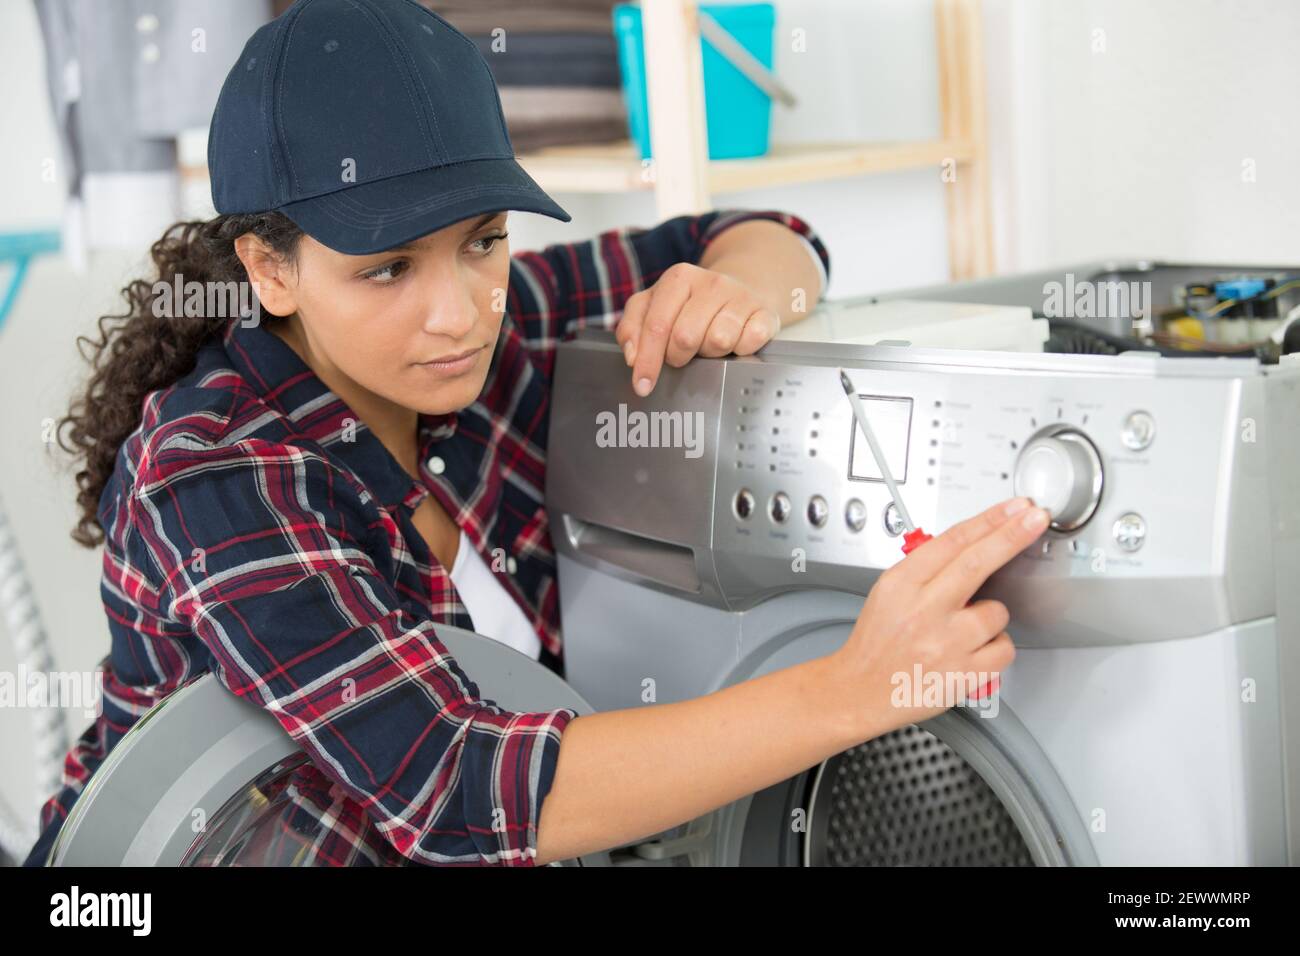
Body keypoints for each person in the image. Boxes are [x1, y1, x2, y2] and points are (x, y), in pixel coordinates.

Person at [26, 0, 1048, 867]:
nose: (459, 310)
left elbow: (761, 234)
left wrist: (734, 293)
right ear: (271, 269)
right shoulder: (216, 471)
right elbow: (456, 785)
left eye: (484, 241)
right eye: (388, 268)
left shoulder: (489, 340)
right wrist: (855, 688)